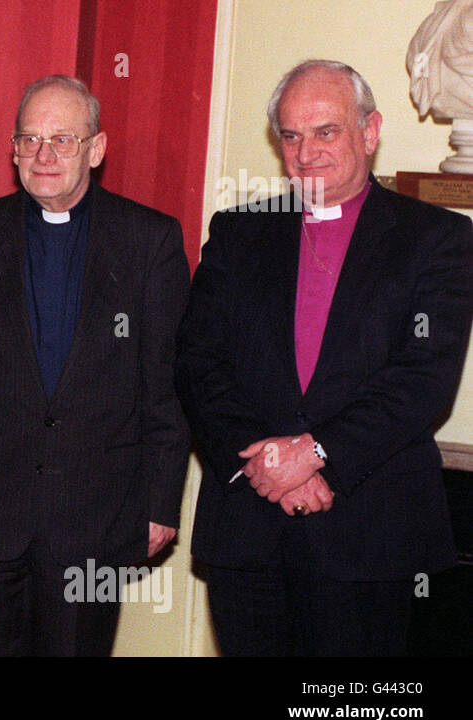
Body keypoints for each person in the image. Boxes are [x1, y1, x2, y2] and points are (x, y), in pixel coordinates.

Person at [176, 60, 473, 656]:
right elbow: (197, 363)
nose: (305, 152)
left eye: (326, 131)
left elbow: (422, 380)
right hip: (248, 528)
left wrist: (317, 457)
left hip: (370, 531)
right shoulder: (238, 232)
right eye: (291, 135)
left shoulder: (437, 238)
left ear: (369, 131)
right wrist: (267, 467)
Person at [0, 75, 191, 656]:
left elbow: (167, 387)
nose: (43, 155)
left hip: (96, 517)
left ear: (96, 150)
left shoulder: (150, 242)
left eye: (62, 140)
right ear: (14, 150)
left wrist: (159, 502)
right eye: (30, 139)